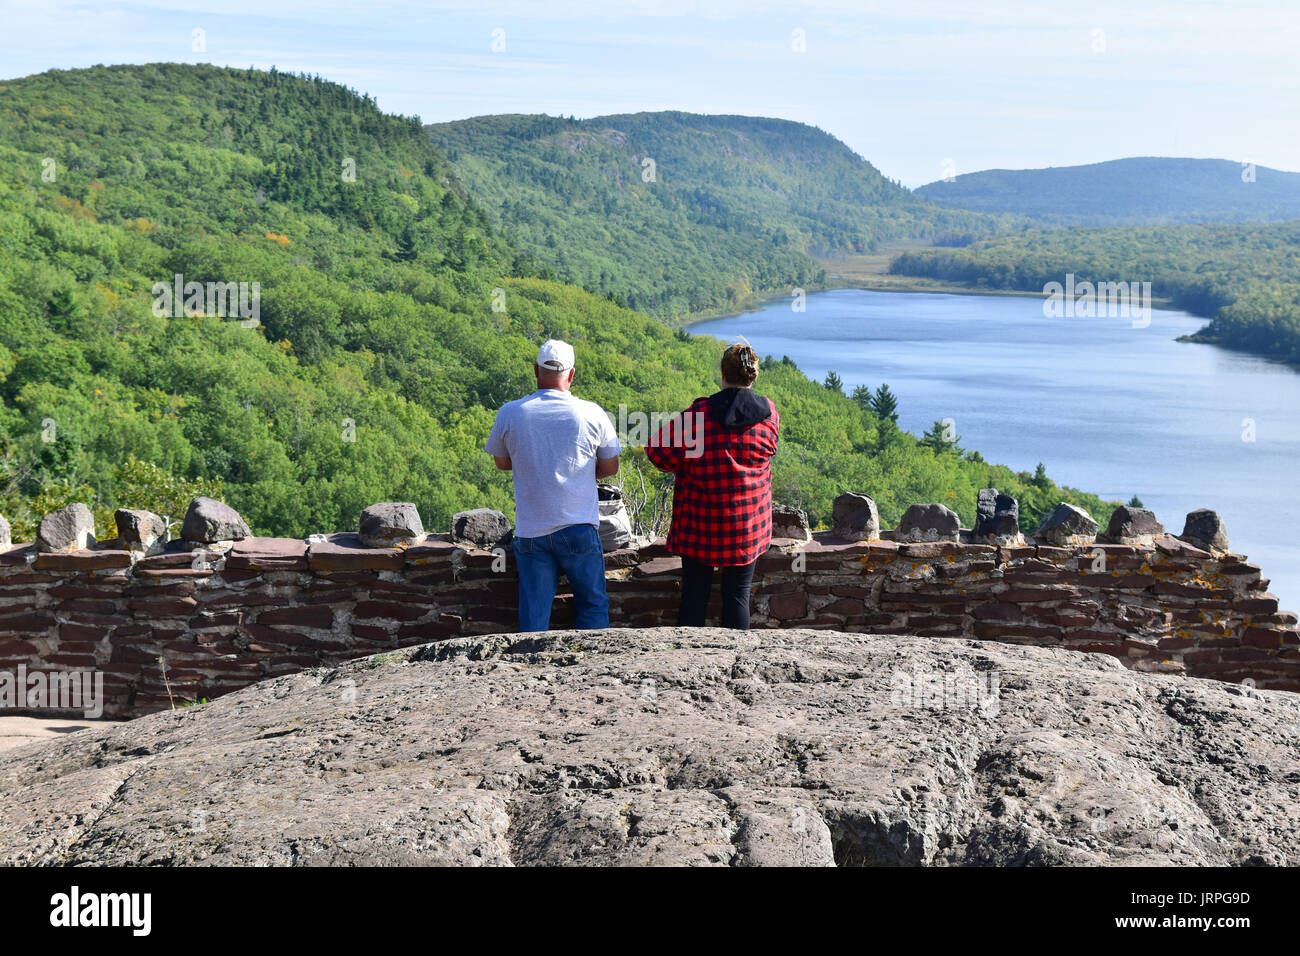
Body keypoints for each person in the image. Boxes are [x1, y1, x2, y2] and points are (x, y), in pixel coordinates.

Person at [485, 339, 621, 631]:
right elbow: (610, 467)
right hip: (579, 527)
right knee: (593, 603)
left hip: (531, 530)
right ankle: (594, 668)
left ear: (536, 371)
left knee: (534, 610)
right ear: (572, 375)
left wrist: (534, 465)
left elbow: (502, 462)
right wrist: (580, 472)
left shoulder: (511, 412)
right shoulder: (592, 413)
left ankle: (531, 667)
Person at [645, 342, 780, 629]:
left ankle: (687, 658)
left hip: (699, 527)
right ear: (754, 375)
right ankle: (736, 660)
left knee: (694, 596)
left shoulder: (696, 418)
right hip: (748, 526)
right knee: (737, 595)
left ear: (722, 372)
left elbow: (657, 453)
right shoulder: (769, 414)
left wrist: (689, 459)